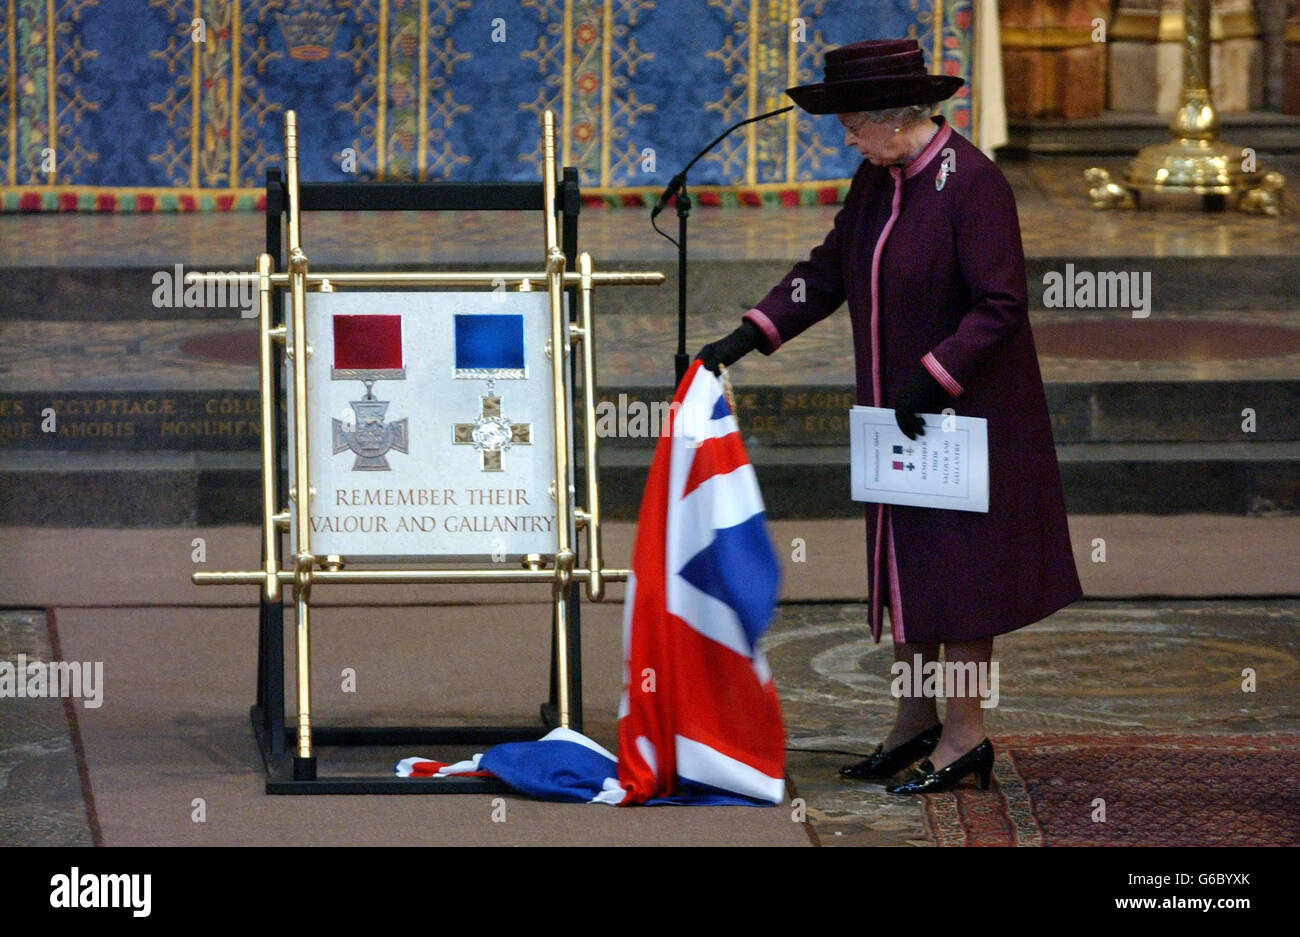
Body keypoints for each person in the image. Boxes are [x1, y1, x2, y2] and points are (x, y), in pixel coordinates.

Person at [695, 39, 1082, 794]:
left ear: (892, 116)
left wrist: (933, 379)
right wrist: (750, 334)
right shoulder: (879, 179)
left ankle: (967, 733)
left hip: (966, 416)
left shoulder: (972, 182)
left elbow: (1000, 303)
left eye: (850, 123)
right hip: (899, 421)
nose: (844, 136)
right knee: (909, 566)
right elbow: (829, 270)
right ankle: (915, 719)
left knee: (964, 579)